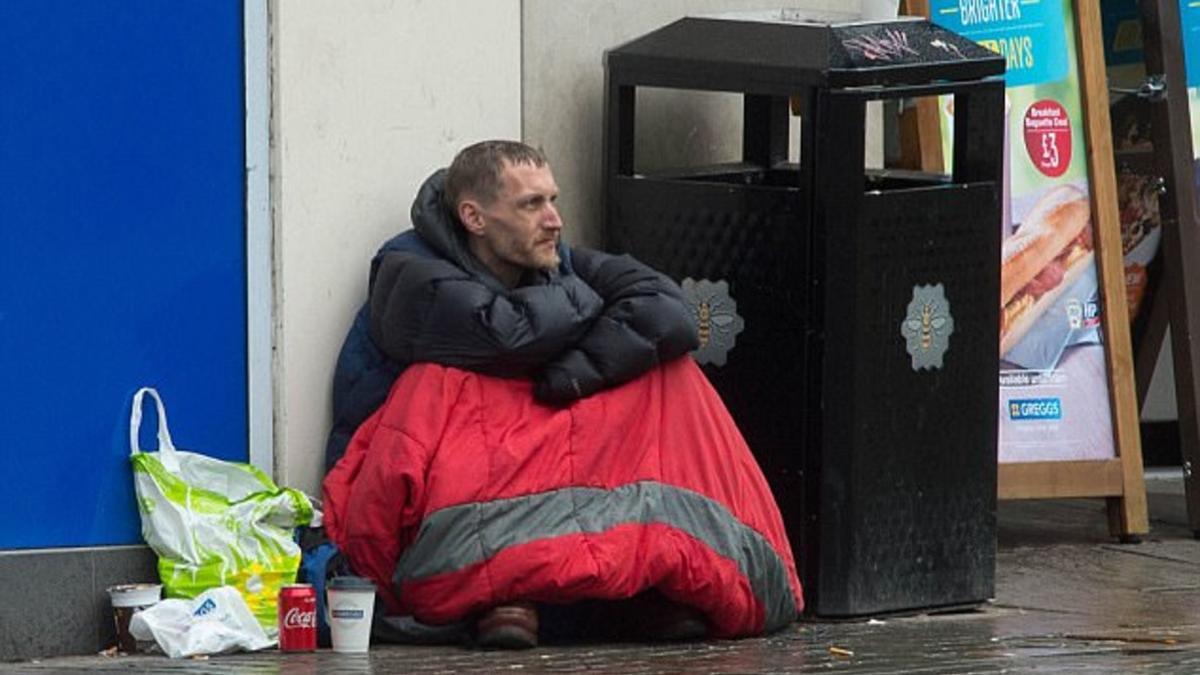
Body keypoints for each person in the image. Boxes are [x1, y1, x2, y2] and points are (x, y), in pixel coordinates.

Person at [322, 140, 803, 649]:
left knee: (668, 372)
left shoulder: (554, 261)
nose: (554, 220)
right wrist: (585, 302)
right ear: (473, 217)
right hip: (437, 475)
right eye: (531, 204)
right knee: (451, 384)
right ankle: (505, 586)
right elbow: (506, 335)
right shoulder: (409, 270)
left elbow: (670, 313)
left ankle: (656, 575)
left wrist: (576, 372)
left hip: (529, 453)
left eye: (552, 200)